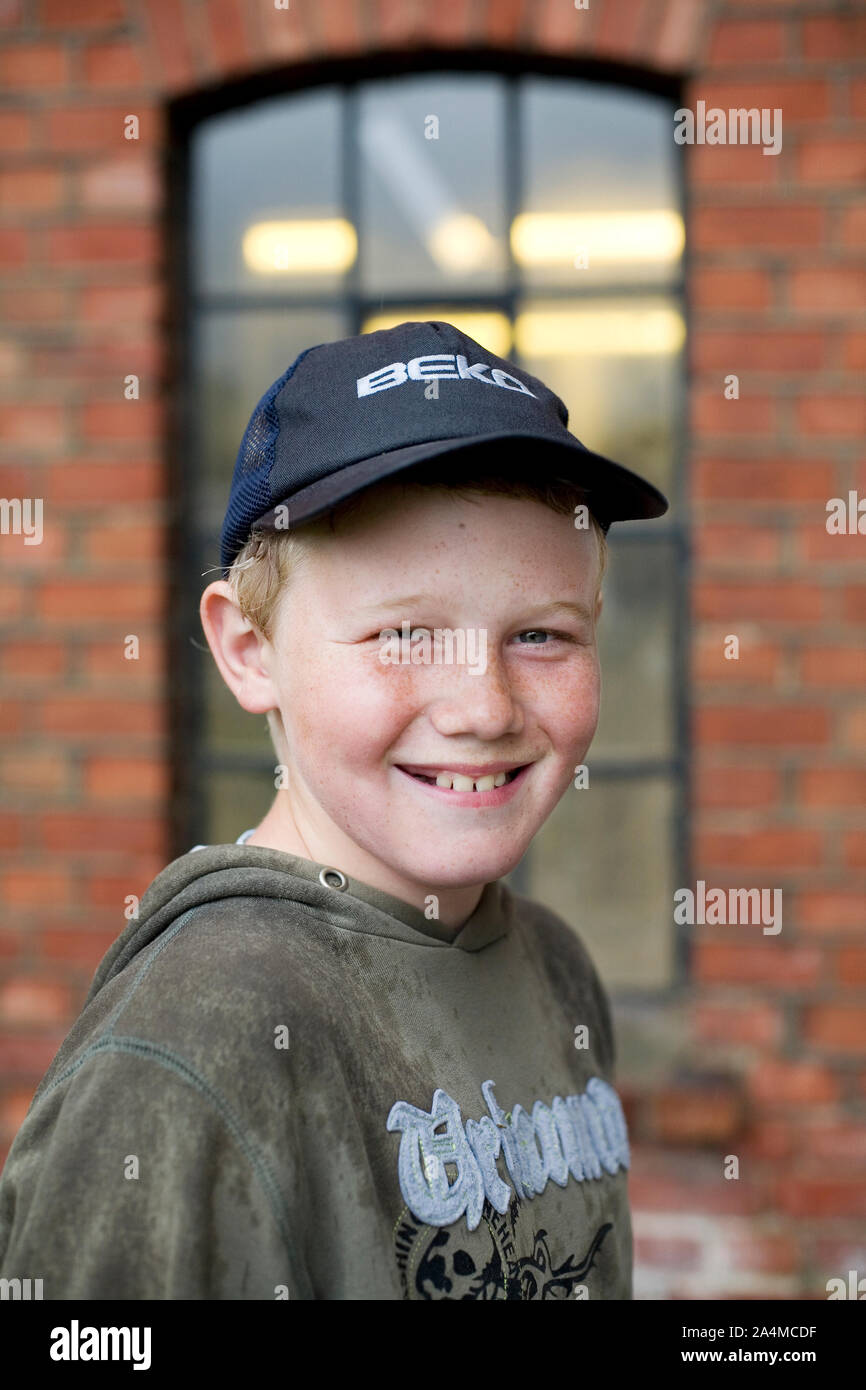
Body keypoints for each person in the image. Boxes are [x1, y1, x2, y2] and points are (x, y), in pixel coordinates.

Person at [0, 320, 667, 1300]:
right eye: (401, 632)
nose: (481, 706)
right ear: (248, 649)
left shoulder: (556, 970)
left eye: (538, 633)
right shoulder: (189, 1055)